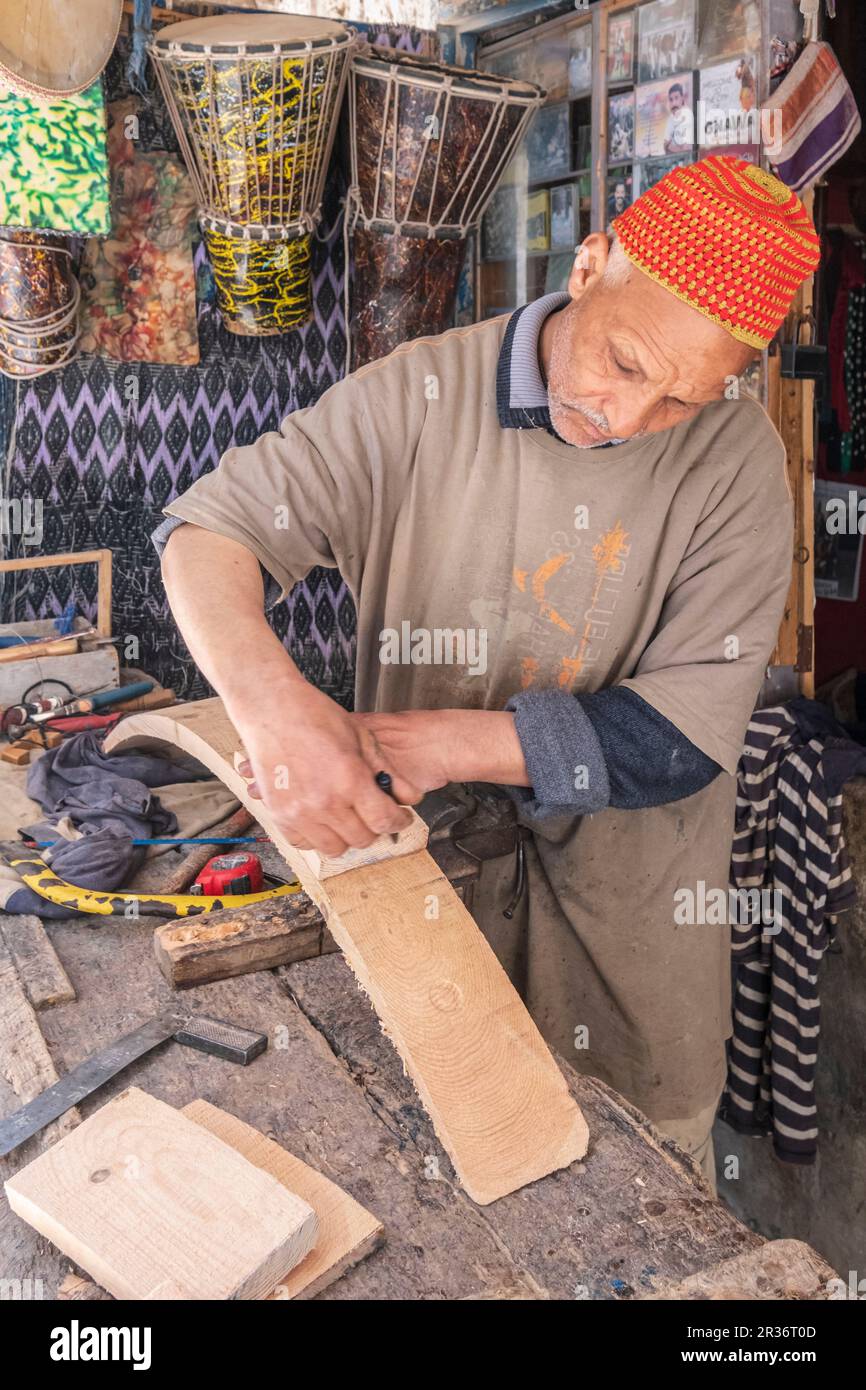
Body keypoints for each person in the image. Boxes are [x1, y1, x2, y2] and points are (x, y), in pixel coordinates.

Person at [155, 156, 820, 1193]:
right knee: (430, 1175)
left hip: (625, 932)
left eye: (681, 400)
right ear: (590, 262)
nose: (626, 419)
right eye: (624, 364)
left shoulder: (735, 462)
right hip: (418, 905)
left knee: (632, 1200)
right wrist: (275, 706)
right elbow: (208, 533)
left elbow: (683, 735)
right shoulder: (419, 392)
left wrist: (435, 741)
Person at [663, 82, 694, 153]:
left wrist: (670, 146)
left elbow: (686, 148)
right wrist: (669, 146)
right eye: (671, 100)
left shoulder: (688, 114)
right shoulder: (670, 118)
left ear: (682, 98)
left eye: (676, 98)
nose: (673, 103)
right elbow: (665, 146)